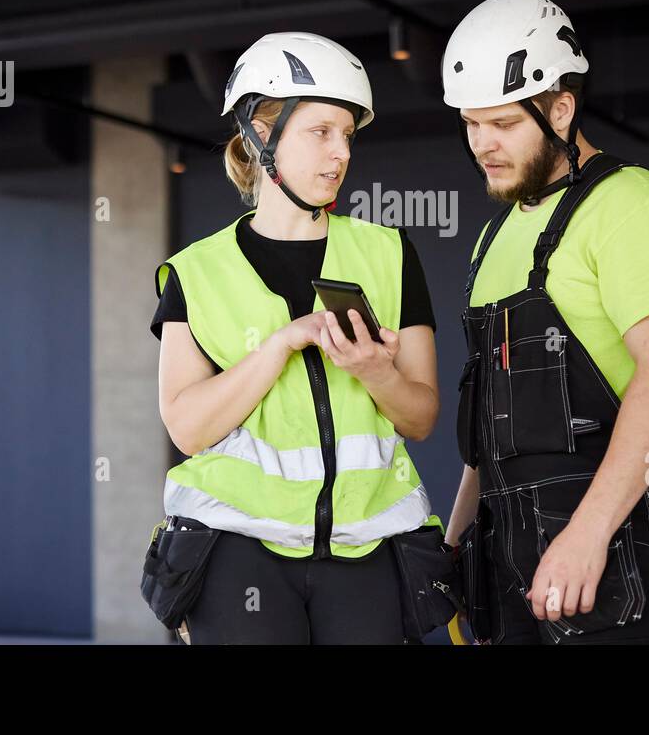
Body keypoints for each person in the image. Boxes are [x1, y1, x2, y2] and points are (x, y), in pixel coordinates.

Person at [148, 31, 447, 644]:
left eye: (348, 135)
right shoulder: (195, 272)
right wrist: (280, 345)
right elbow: (187, 427)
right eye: (320, 131)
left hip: (369, 546)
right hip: (237, 550)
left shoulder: (390, 254)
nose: (340, 153)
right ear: (261, 134)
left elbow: (420, 418)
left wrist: (374, 371)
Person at [441, 0, 649, 645]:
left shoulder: (633, 206)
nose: (482, 144)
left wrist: (588, 533)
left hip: (608, 553)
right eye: (472, 124)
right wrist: (452, 552)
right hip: (506, 556)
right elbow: (488, 432)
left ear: (561, 108)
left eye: (503, 125)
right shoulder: (493, 238)